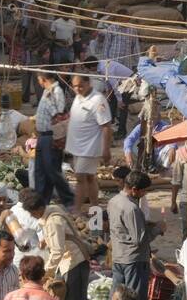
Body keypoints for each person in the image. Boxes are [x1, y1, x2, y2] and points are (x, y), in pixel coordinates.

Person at [108, 170, 165, 300]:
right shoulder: (132, 208)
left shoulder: (113, 201)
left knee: (115, 298)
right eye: (144, 191)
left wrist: (145, 223)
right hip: (134, 261)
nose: (144, 194)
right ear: (134, 189)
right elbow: (140, 239)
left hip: (119, 257)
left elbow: (124, 226)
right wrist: (158, 229)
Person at [65, 75, 111, 213]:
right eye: (74, 86)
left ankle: (77, 209)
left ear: (88, 83)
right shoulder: (78, 97)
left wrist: (106, 150)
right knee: (90, 177)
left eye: (80, 85)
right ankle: (94, 206)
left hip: (90, 148)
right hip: (76, 146)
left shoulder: (98, 100)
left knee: (80, 178)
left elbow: (106, 126)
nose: (77, 89)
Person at [34, 72, 74, 207]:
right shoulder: (47, 91)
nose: (38, 82)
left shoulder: (56, 92)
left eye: (39, 79)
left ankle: (69, 199)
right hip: (42, 135)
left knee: (52, 170)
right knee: (40, 170)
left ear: (43, 79)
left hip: (51, 136)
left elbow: (59, 113)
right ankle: (41, 200)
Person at [86, 55, 134, 139]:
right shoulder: (100, 66)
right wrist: (108, 91)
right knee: (111, 101)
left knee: (122, 107)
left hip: (129, 82)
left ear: (92, 67)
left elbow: (114, 84)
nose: (90, 71)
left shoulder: (104, 68)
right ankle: (109, 125)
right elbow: (107, 80)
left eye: (89, 69)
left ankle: (121, 132)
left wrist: (119, 100)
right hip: (121, 82)